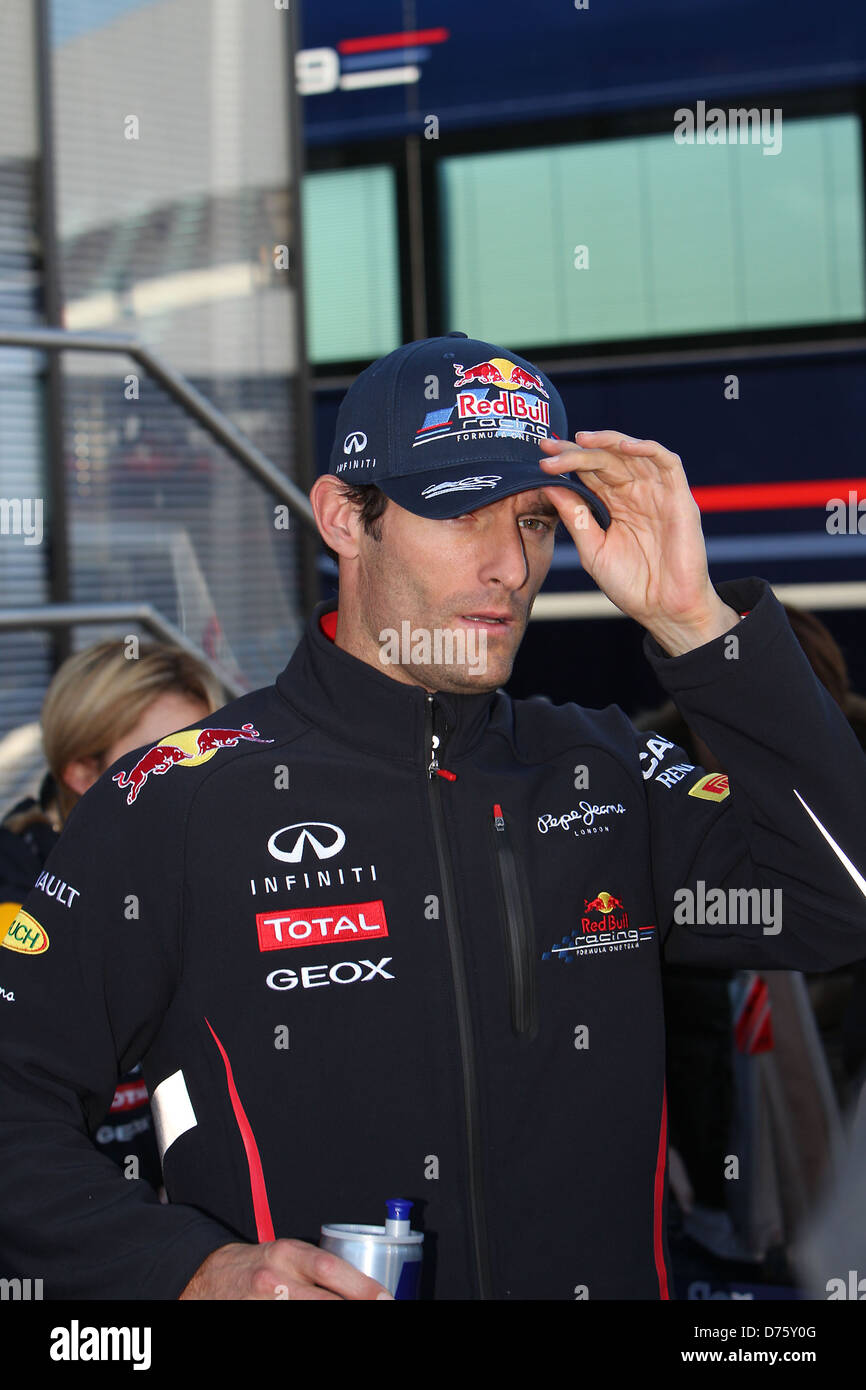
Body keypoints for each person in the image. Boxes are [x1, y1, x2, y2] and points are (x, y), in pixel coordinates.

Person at [1, 332, 865, 1302]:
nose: (509, 565)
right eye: (460, 512)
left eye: (536, 521)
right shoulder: (177, 798)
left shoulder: (603, 769)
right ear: (342, 517)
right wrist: (186, 1270)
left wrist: (693, 621)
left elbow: (841, 897)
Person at [0, 641, 223, 1195]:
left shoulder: (223, 871)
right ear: (81, 771)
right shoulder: (16, 904)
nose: (194, 781)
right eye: (165, 759)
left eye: (208, 754)